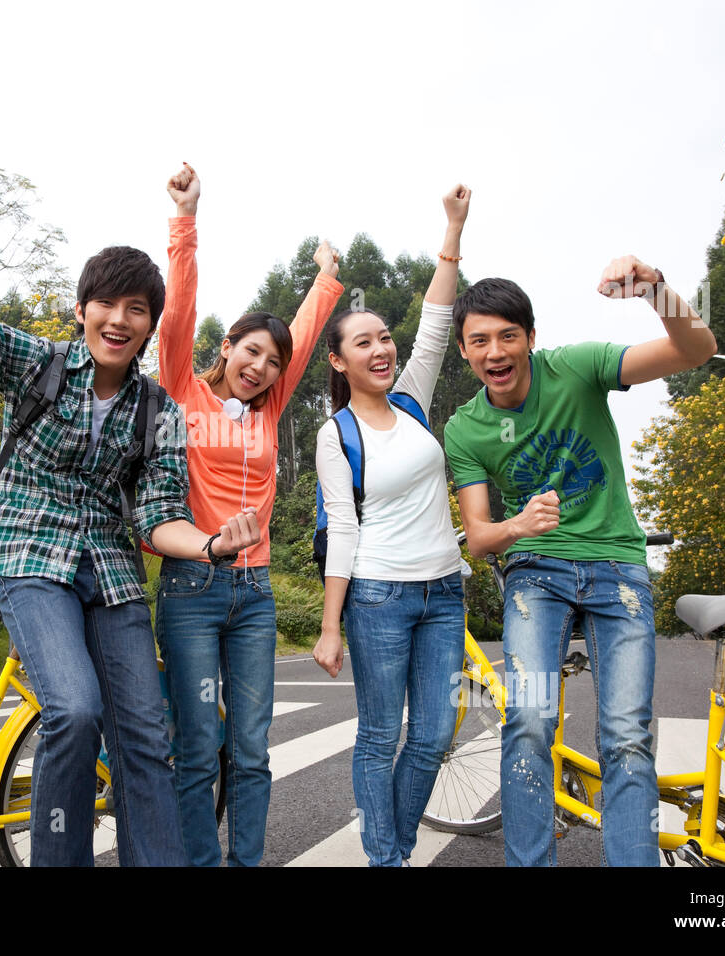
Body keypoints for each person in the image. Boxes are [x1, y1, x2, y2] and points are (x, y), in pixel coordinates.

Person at [0, 159, 261, 866]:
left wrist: (211, 543)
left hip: (111, 576)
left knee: (147, 733)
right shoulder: (38, 365)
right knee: (75, 709)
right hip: (28, 560)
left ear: (149, 326)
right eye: (106, 305)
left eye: (137, 310)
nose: (119, 320)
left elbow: (156, 518)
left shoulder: (160, 413)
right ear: (82, 308)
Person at [444, 258, 717, 866]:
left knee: (627, 736)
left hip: (617, 568)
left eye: (507, 336)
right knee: (530, 721)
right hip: (534, 577)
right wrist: (519, 526)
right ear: (464, 351)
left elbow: (696, 350)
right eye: (480, 340)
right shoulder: (465, 429)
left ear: (530, 338)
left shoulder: (576, 368)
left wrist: (654, 289)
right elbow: (481, 536)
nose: (495, 351)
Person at [155, 163, 343, 866]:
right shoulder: (183, 392)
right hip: (190, 591)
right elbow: (177, 311)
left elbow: (302, 325)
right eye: (250, 351)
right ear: (225, 347)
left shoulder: (268, 408)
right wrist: (185, 222)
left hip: (255, 595)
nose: (262, 367)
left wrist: (325, 275)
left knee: (252, 750)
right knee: (198, 748)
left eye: (274, 360)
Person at [312, 185, 472, 867]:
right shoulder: (335, 434)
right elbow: (342, 531)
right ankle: (387, 858)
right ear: (338, 361)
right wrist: (327, 624)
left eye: (384, 338)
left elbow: (437, 319)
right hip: (377, 596)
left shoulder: (411, 402)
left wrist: (453, 227)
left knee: (434, 735)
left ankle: (393, 847)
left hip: (443, 593)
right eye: (362, 342)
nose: (380, 349)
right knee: (381, 736)